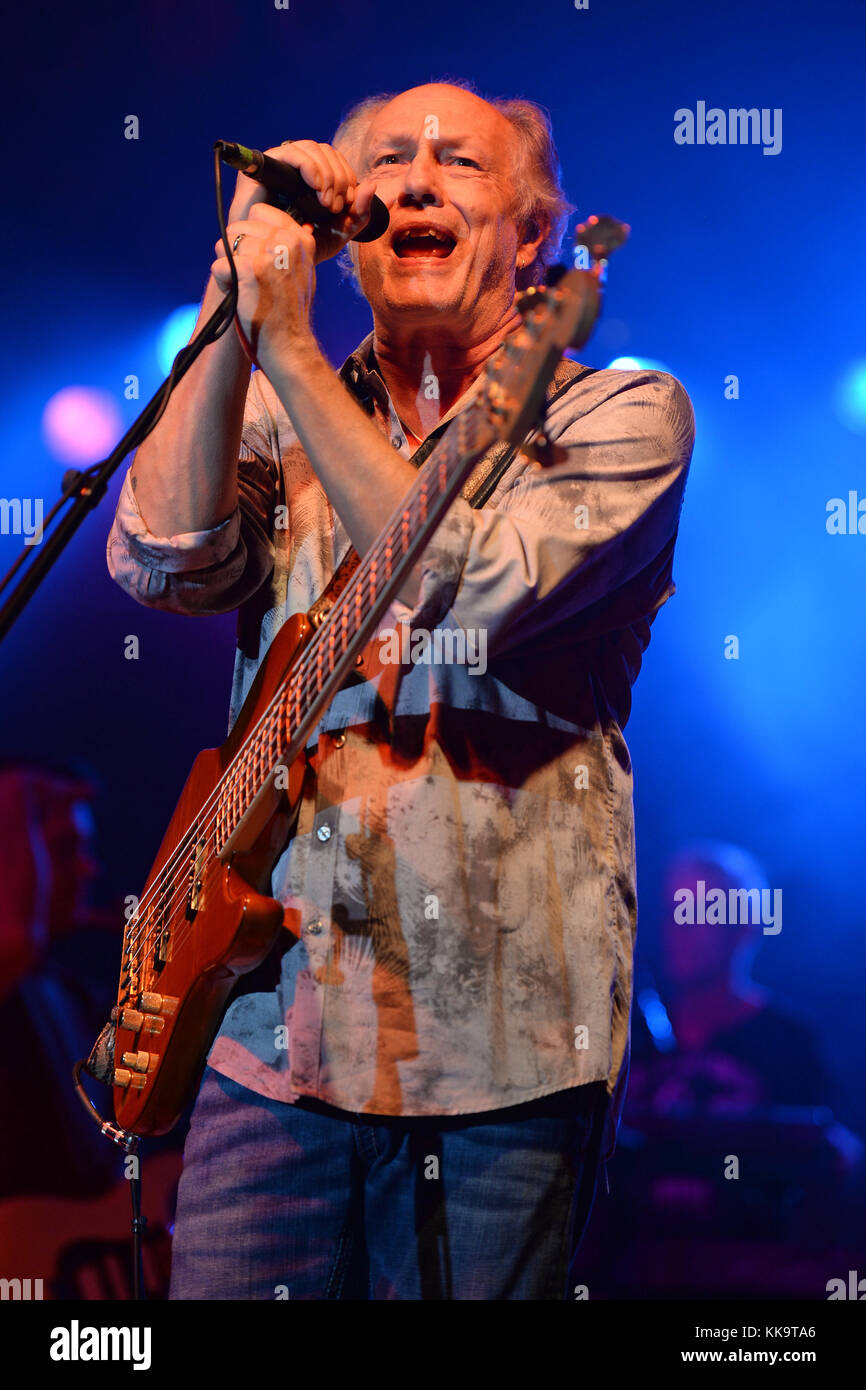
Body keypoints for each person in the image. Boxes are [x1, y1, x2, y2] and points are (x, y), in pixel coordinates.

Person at [106, 80, 695, 1300]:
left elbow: (459, 593)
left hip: (499, 1060)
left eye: (460, 166)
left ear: (533, 235)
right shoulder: (276, 406)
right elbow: (161, 561)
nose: (416, 180)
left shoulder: (619, 415)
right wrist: (232, 304)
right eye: (387, 161)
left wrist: (292, 348)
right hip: (267, 1038)